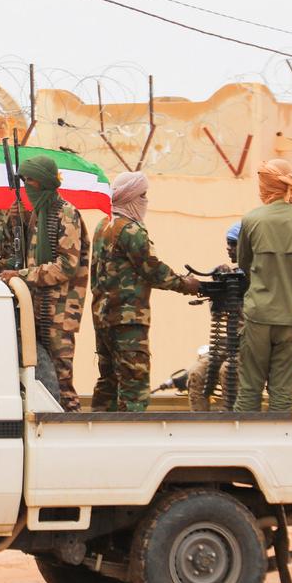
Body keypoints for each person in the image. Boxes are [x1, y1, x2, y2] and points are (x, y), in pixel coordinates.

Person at [0, 155, 88, 411]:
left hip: (60, 310)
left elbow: (66, 266)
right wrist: (16, 223)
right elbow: (20, 260)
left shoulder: (65, 214)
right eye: (23, 181)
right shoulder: (37, 215)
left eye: (30, 181)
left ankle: (71, 435)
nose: (26, 187)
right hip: (37, 306)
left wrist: (22, 277)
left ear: (43, 181)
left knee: (60, 380)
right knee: (40, 379)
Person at [90, 171, 199, 412]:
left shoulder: (103, 225)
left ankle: (99, 435)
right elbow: (152, 269)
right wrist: (187, 284)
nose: (145, 201)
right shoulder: (130, 230)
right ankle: (131, 439)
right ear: (131, 197)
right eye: (143, 195)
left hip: (102, 317)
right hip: (127, 319)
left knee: (108, 381)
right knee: (133, 385)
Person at [234, 159, 292, 412]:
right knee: (281, 392)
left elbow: (244, 263)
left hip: (259, 316)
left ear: (263, 187)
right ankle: (278, 447)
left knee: (249, 389)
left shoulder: (251, 219)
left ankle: (243, 445)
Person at [186, 222, 242, 411]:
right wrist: (221, 285)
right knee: (196, 373)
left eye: (234, 244)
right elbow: (217, 313)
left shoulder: (261, 278)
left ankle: (232, 425)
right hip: (231, 343)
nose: (229, 248)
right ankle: (201, 429)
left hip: (252, 345)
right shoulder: (233, 277)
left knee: (229, 370)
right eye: (228, 243)